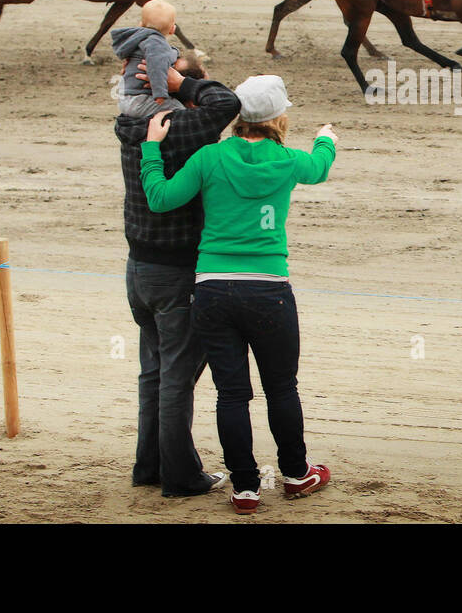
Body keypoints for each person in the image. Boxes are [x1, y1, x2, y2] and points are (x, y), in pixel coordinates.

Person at [140, 75, 337, 515]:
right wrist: (326, 138)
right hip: (269, 290)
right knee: (282, 387)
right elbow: (320, 167)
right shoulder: (288, 160)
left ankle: (244, 488)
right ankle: (295, 473)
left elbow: (160, 197)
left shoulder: (210, 157)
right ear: (278, 118)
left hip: (212, 289)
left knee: (232, 393)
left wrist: (151, 149)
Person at [114, 63, 240, 498]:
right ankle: (181, 477)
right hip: (178, 272)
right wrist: (182, 82)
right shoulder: (186, 128)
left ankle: (149, 466)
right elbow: (227, 102)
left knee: (153, 373)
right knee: (176, 378)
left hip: (138, 269)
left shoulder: (130, 124)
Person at [111, 0, 187, 116]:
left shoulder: (138, 40)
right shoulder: (156, 44)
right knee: (180, 111)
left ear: (141, 24)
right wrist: (160, 92)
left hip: (125, 96)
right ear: (172, 29)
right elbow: (156, 68)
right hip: (141, 98)